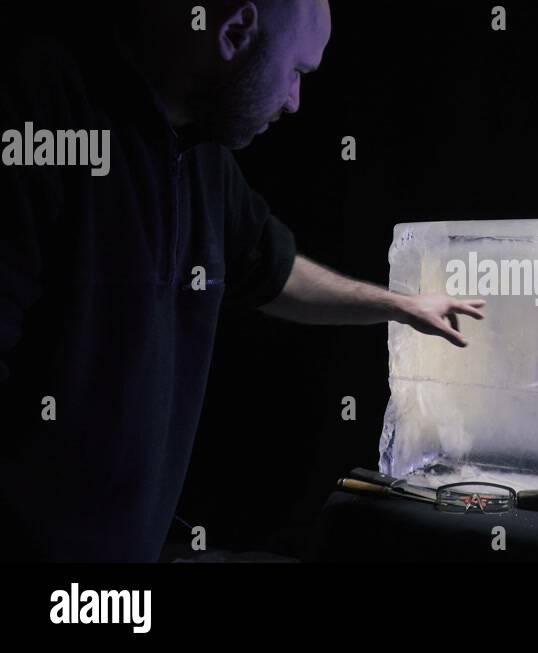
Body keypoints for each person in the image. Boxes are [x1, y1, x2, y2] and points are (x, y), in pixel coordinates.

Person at [0, 0, 485, 562]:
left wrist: (402, 305)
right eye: (297, 72)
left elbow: (273, 273)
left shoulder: (203, 158)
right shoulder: (39, 107)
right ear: (234, 32)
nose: (295, 101)